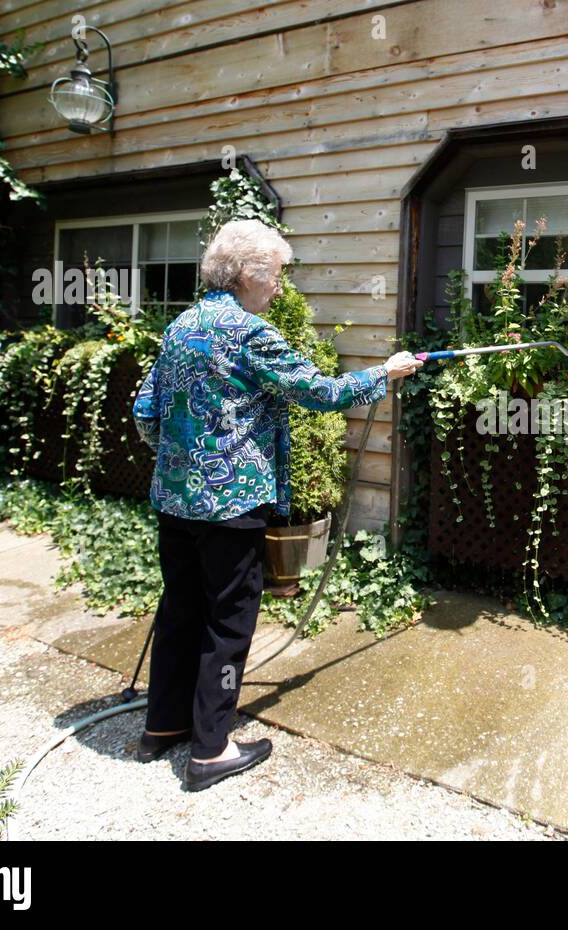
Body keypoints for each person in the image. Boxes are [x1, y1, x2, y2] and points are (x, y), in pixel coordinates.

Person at [131, 218, 422, 791]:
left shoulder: (179, 327)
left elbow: (146, 414)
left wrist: (181, 460)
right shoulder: (247, 333)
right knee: (228, 619)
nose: (282, 288)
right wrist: (384, 373)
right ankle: (210, 749)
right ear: (247, 275)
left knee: (181, 608)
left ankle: (163, 726)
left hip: (175, 501)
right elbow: (320, 392)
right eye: (279, 275)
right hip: (231, 506)